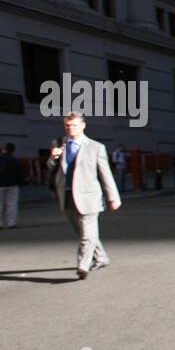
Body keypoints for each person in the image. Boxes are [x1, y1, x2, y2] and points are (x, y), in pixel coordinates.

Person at [47, 113, 121, 279]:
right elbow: (50, 167)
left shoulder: (96, 147)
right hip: (66, 195)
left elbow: (105, 174)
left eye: (74, 125)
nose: (70, 129)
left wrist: (113, 197)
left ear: (83, 126)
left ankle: (83, 265)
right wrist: (53, 157)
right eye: (67, 126)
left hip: (89, 196)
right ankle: (101, 257)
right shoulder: (58, 143)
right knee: (83, 233)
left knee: (87, 235)